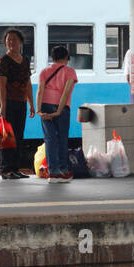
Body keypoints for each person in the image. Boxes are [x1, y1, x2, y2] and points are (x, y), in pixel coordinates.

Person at [0, 29, 34, 179]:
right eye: (8, 40)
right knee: (6, 137)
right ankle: (6, 170)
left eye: (14, 39)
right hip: (8, 103)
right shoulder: (3, 61)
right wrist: (3, 107)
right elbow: (2, 86)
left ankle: (15, 168)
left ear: (20, 42)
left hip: (20, 102)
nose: (11, 42)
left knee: (18, 136)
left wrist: (31, 103)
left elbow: (28, 83)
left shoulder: (24, 60)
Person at [36, 45, 77, 183]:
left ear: (52, 58)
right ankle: (63, 170)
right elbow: (66, 92)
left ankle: (53, 173)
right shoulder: (70, 72)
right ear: (66, 58)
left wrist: (39, 110)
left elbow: (40, 91)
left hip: (45, 105)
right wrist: (59, 111)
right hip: (62, 107)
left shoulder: (44, 72)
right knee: (62, 139)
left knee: (50, 139)